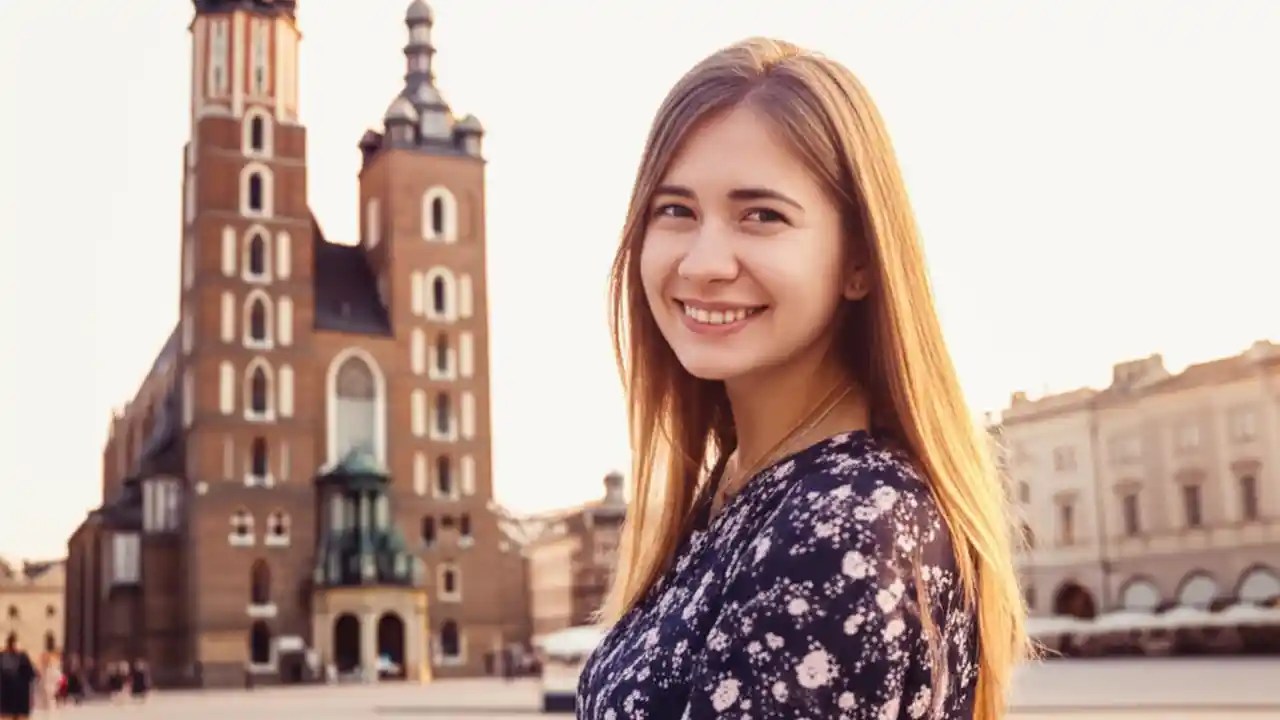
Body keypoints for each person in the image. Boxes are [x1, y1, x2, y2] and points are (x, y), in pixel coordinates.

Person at [575, 37, 1028, 720]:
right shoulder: (748, 492)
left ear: (860, 262)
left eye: (761, 216)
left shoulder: (844, 527)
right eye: (676, 210)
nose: (703, 262)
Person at [0, 633, 37, 720]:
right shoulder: (23, 657)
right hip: (21, 701)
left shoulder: (2, 657)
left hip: (6, 701)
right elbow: (31, 675)